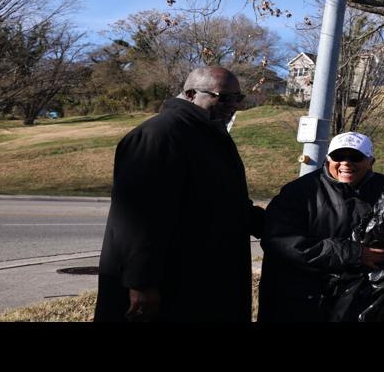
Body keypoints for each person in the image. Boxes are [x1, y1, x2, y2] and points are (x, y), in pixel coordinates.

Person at [95, 66, 265, 322]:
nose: (233, 105)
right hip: (169, 284)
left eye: (237, 98)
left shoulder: (210, 135)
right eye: (224, 97)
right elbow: (138, 216)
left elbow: (223, 203)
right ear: (190, 94)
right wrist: (141, 282)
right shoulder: (160, 135)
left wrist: (274, 224)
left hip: (202, 281)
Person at [258, 131, 384, 322]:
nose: (346, 163)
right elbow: (281, 241)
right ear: (328, 159)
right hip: (311, 304)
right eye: (338, 156)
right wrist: (354, 253)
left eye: (355, 157)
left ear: (371, 161)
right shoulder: (301, 192)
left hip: (373, 304)